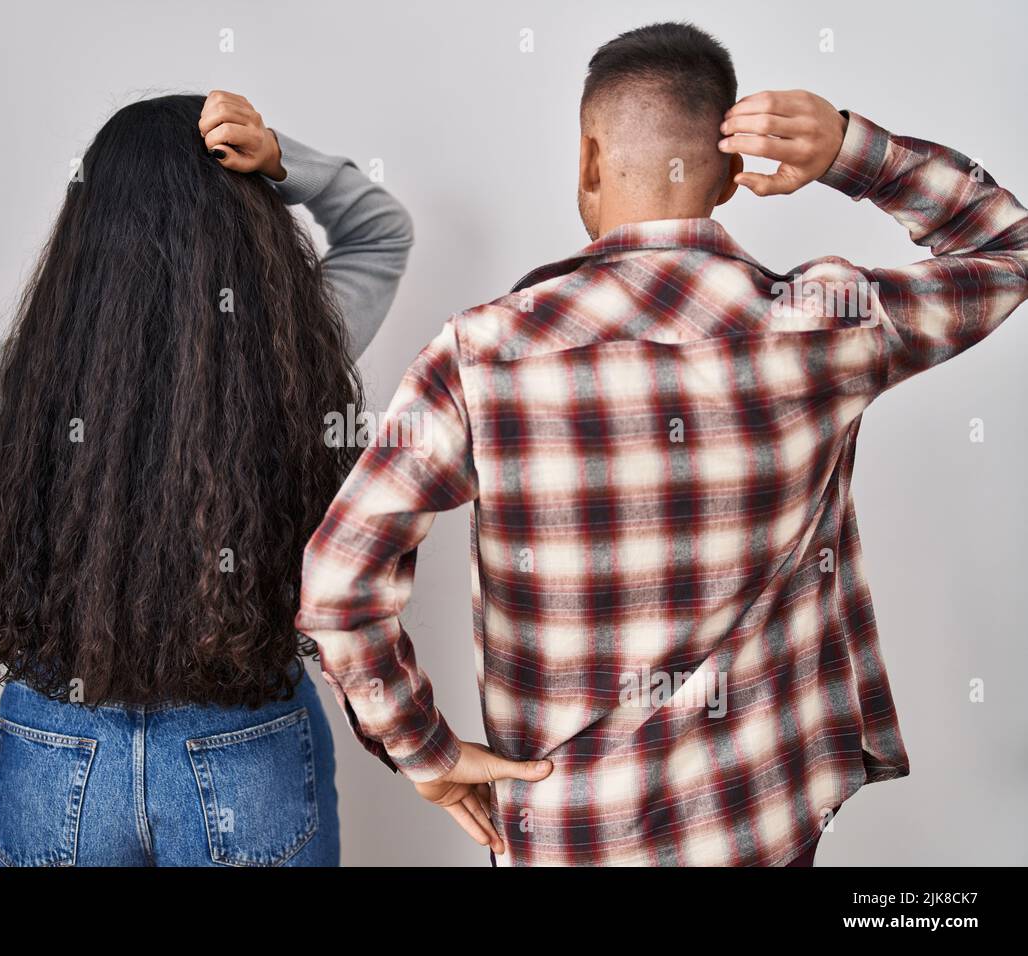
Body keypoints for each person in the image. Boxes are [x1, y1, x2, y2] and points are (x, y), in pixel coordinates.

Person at [295, 22, 1028, 866]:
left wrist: (423, 749)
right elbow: (1006, 248)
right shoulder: (829, 327)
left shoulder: (482, 355)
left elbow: (338, 586)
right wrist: (848, 152)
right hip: (761, 824)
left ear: (589, 161)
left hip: (570, 835)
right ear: (727, 179)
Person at [0, 91, 414, 866]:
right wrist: (277, 156)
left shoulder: (2, 391)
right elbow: (382, 231)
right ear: (249, 227)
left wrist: (1, 652)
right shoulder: (293, 351)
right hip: (246, 745)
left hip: (56, 747)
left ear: (85, 228)